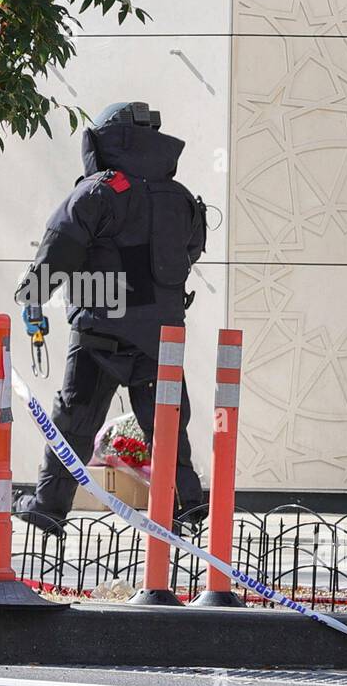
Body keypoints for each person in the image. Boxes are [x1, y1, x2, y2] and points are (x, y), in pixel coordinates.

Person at [11, 101, 208, 537]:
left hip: (102, 328)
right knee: (168, 422)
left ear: (104, 140)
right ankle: (186, 506)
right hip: (162, 334)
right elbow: (188, 254)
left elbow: (61, 245)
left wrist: (32, 296)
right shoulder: (179, 198)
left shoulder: (100, 190)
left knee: (75, 421)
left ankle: (47, 508)